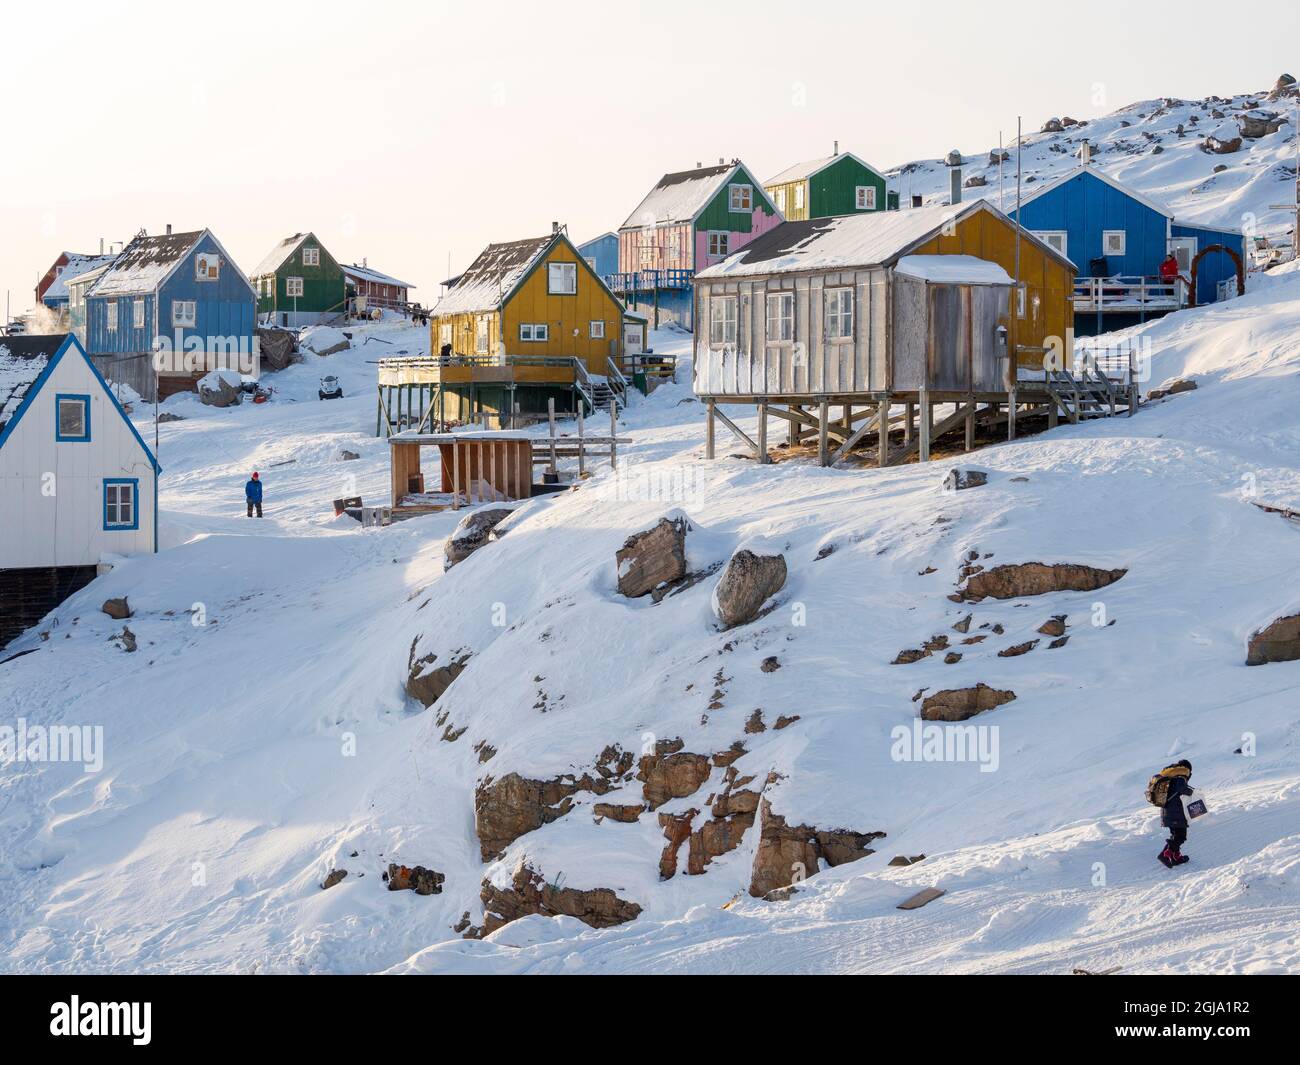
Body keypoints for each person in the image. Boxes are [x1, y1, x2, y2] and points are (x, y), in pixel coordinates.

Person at [1154, 759, 1194, 868]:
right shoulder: (1180, 776)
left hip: (1168, 811)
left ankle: (1177, 857)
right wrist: (1192, 792)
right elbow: (1182, 789)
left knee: (1176, 835)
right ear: (1187, 769)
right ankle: (1165, 855)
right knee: (1180, 836)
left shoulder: (1171, 776)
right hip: (1175, 812)